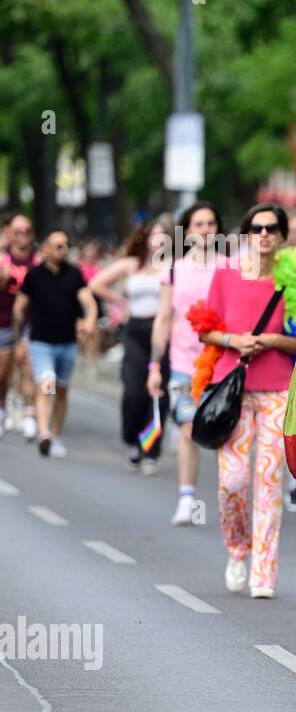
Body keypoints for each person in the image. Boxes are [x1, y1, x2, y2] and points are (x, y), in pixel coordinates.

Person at [197, 204, 296, 599]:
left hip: (278, 390)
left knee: (269, 481)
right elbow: (205, 329)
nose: (264, 234)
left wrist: (274, 341)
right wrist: (234, 340)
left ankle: (264, 571)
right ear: (246, 233)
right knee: (233, 481)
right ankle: (237, 547)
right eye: (256, 228)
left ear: (282, 234)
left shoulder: (294, 278)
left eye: (271, 228)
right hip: (233, 390)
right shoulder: (225, 274)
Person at [148, 201, 225, 525]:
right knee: (188, 428)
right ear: (188, 230)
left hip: (223, 361)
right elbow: (164, 318)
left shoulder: (230, 266)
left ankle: (229, 497)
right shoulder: (174, 270)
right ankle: (186, 498)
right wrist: (154, 366)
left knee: (224, 433)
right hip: (183, 363)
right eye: (198, 224)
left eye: (210, 224)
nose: (205, 230)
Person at [91, 219, 170, 473]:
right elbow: (96, 284)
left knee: (157, 394)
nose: (158, 240)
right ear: (144, 238)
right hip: (135, 331)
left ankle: (151, 450)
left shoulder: (171, 267)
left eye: (163, 236)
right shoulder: (131, 264)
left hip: (162, 332)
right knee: (134, 391)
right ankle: (133, 439)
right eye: (154, 235)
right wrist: (120, 301)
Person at [12, 230, 97, 457]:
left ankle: (55, 434)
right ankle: (43, 433)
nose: (63, 250)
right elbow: (19, 308)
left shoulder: (74, 274)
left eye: (66, 246)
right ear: (45, 249)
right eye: (58, 246)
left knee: (61, 390)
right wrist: (20, 338)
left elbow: (88, 302)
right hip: (42, 343)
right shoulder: (34, 275)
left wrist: (89, 320)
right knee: (46, 383)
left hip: (67, 344)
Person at [0, 213, 41, 440]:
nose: (23, 236)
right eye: (18, 231)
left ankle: (29, 414)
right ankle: (2, 407)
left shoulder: (38, 260)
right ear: (10, 233)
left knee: (29, 366)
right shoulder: (3, 259)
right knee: (3, 374)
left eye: (27, 231)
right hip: (3, 320)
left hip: (31, 321)